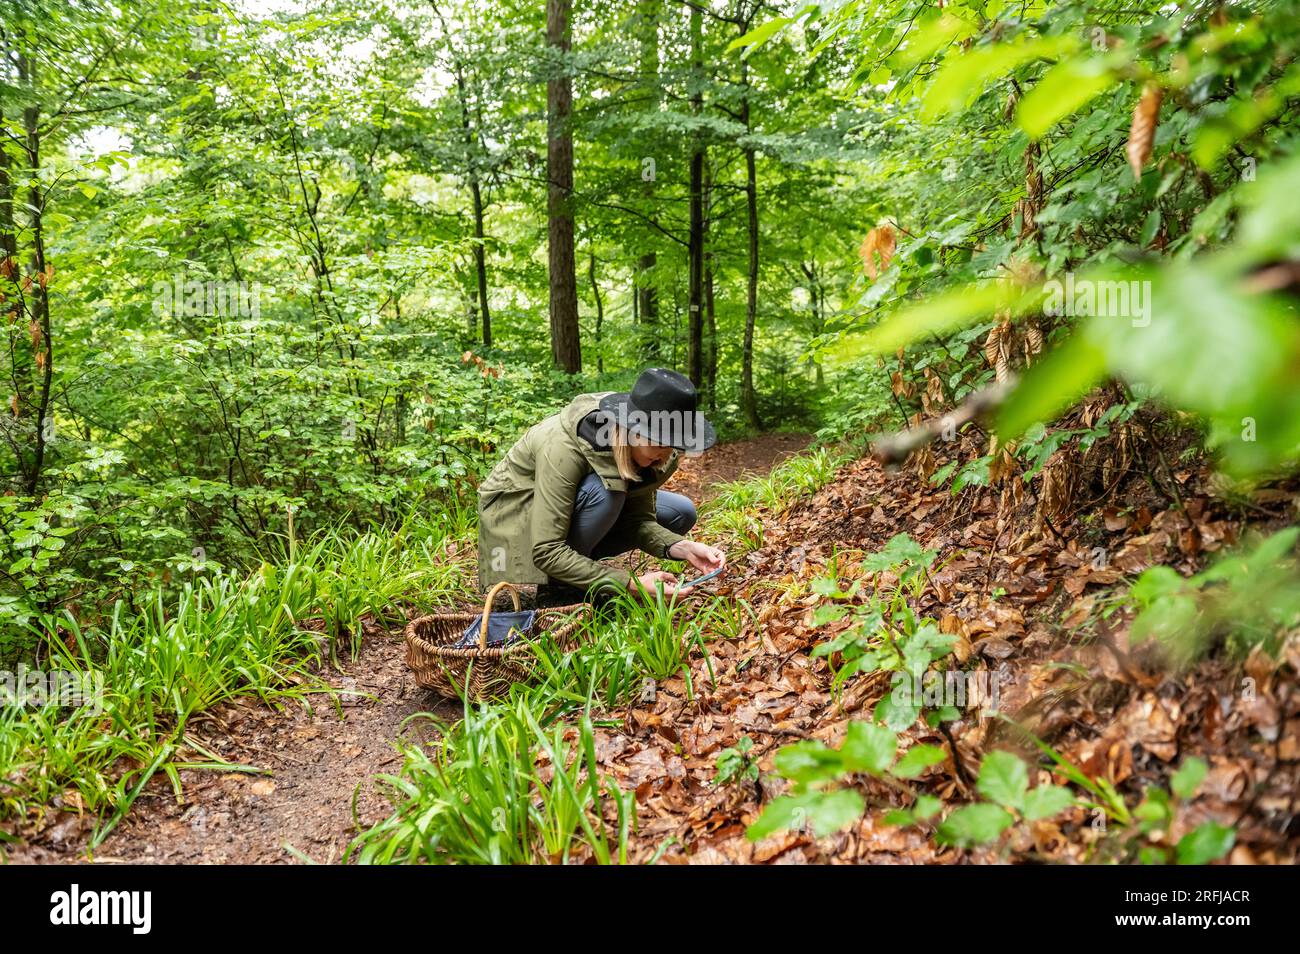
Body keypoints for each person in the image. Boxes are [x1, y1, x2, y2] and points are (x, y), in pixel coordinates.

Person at [476, 368, 726, 603]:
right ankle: (560, 586)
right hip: (514, 520)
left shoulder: (646, 453)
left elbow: (638, 521)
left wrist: (685, 548)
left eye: (675, 443)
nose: (667, 454)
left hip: (576, 507)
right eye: (660, 441)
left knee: (681, 512)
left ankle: (579, 566)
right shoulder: (562, 448)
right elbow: (546, 549)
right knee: (608, 494)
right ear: (631, 429)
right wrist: (630, 583)